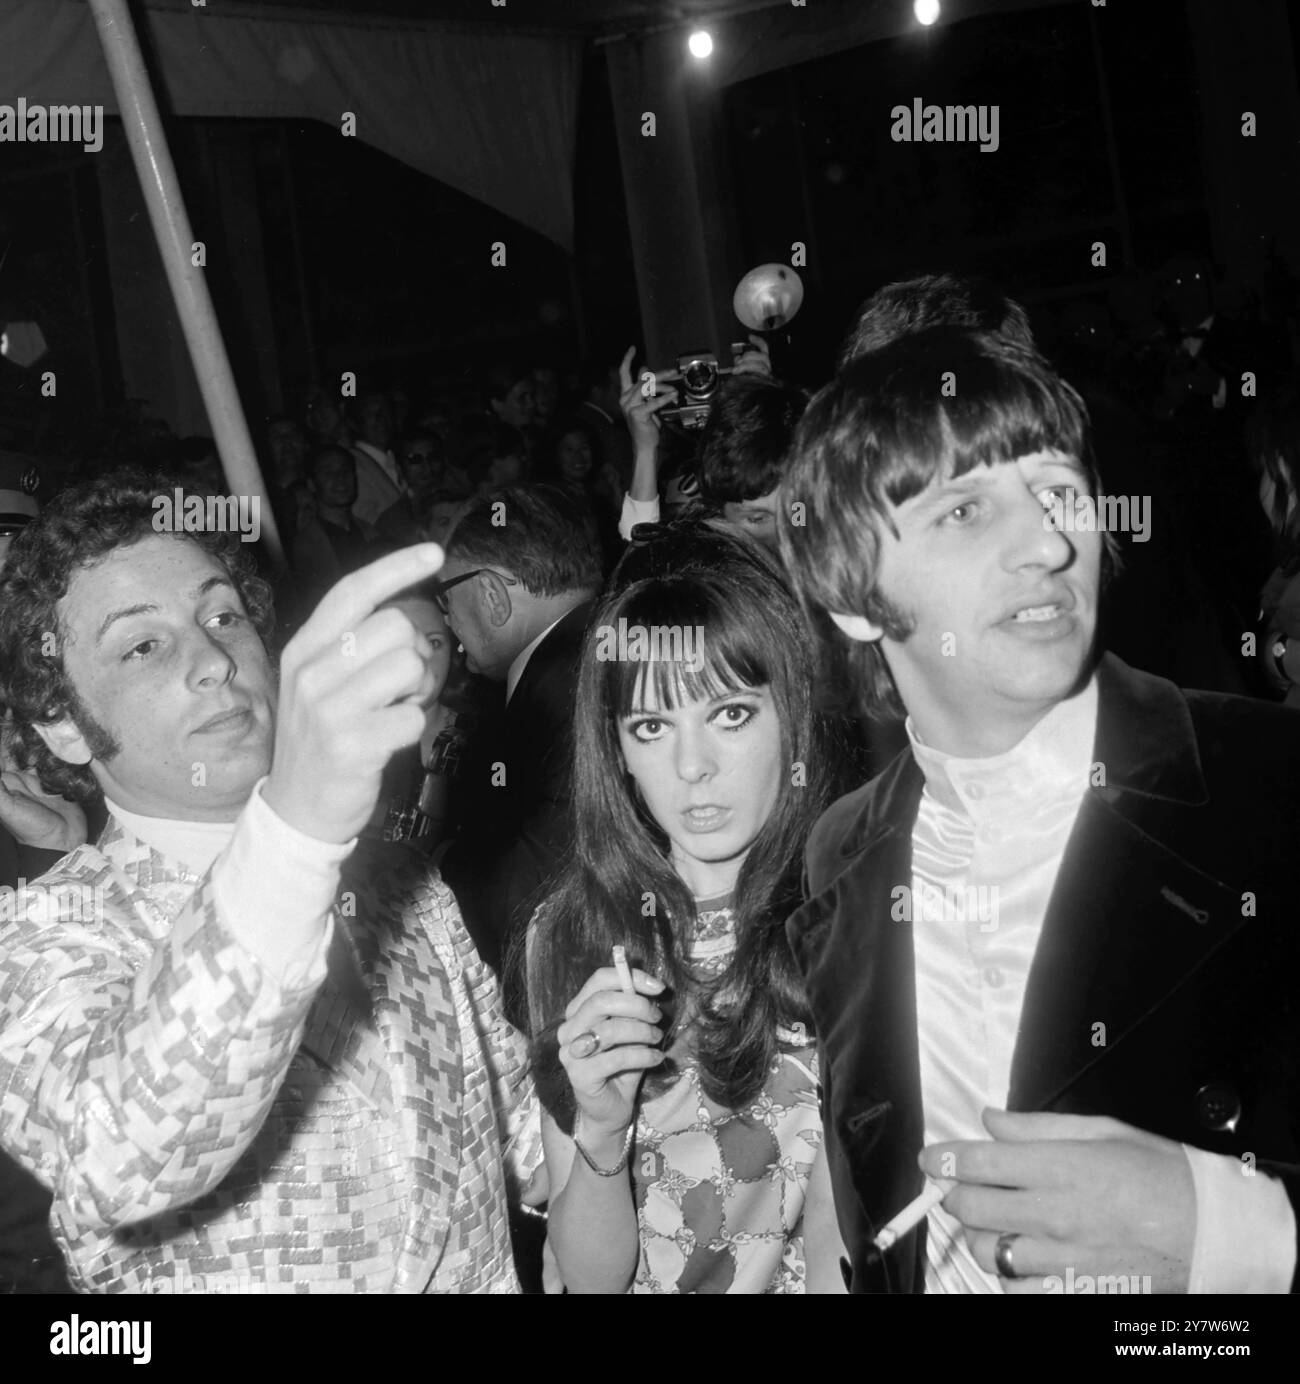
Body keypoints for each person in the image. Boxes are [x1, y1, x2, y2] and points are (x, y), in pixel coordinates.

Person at [778, 327, 1300, 1294]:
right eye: (966, 510)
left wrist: (1226, 1227)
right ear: (850, 595)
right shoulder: (841, 858)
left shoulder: (1270, 787)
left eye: (1061, 492)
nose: (1052, 542)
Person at [0, 470, 542, 1293]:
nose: (215, 660)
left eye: (223, 616)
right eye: (143, 645)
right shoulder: (47, 934)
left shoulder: (403, 888)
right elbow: (117, 1155)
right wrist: (295, 827)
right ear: (64, 725)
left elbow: (524, 1142)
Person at [525, 528, 834, 1293]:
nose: (693, 768)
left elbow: (848, 1235)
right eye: (653, 727)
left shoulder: (850, 914)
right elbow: (592, 1279)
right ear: (619, 751)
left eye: (730, 714)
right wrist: (601, 1131)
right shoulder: (575, 933)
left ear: (790, 715)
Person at [436, 484, 602, 984]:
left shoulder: (550, 696)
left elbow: (525, 894)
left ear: (490, 593)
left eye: (446, 601)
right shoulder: (607, 643)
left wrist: (421, 884)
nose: (448, 624)